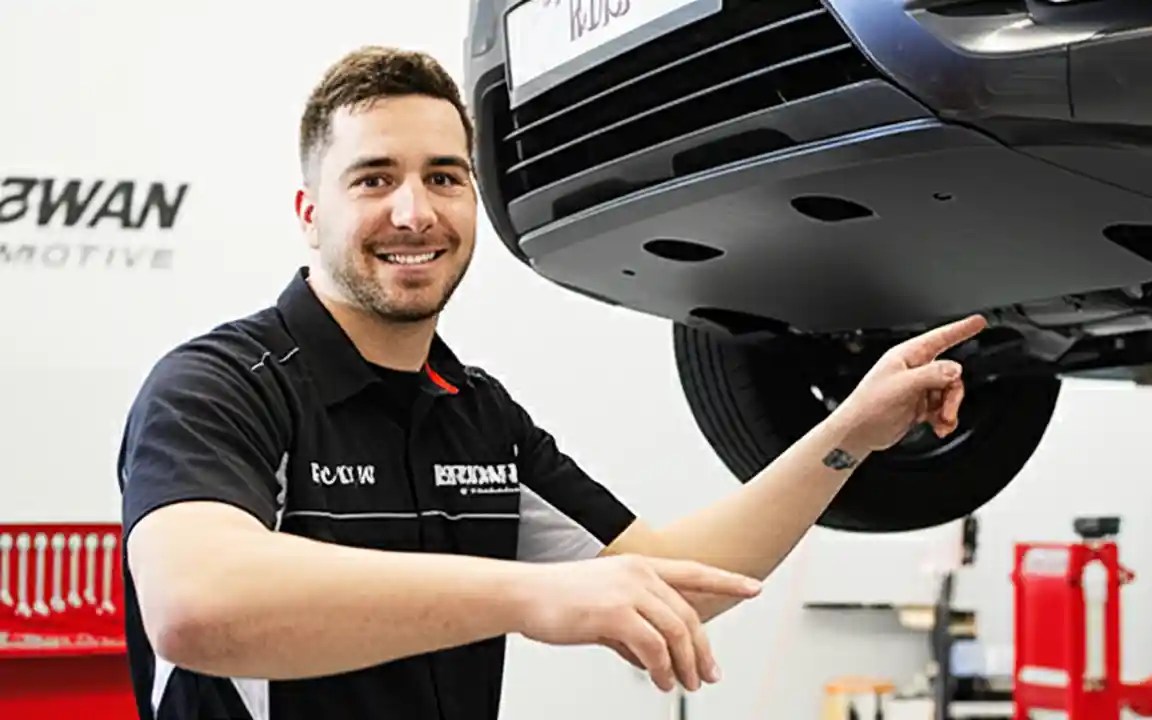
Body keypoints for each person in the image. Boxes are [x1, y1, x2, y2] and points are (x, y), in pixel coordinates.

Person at [117, 46, 986, 720]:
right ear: (311, 214)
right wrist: (534, 596)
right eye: (374, 179)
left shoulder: (477, 414)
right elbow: (198, 606)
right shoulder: (220, 387)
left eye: (444, 178)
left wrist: (850, 433)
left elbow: (672, 582)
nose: (414, 212)